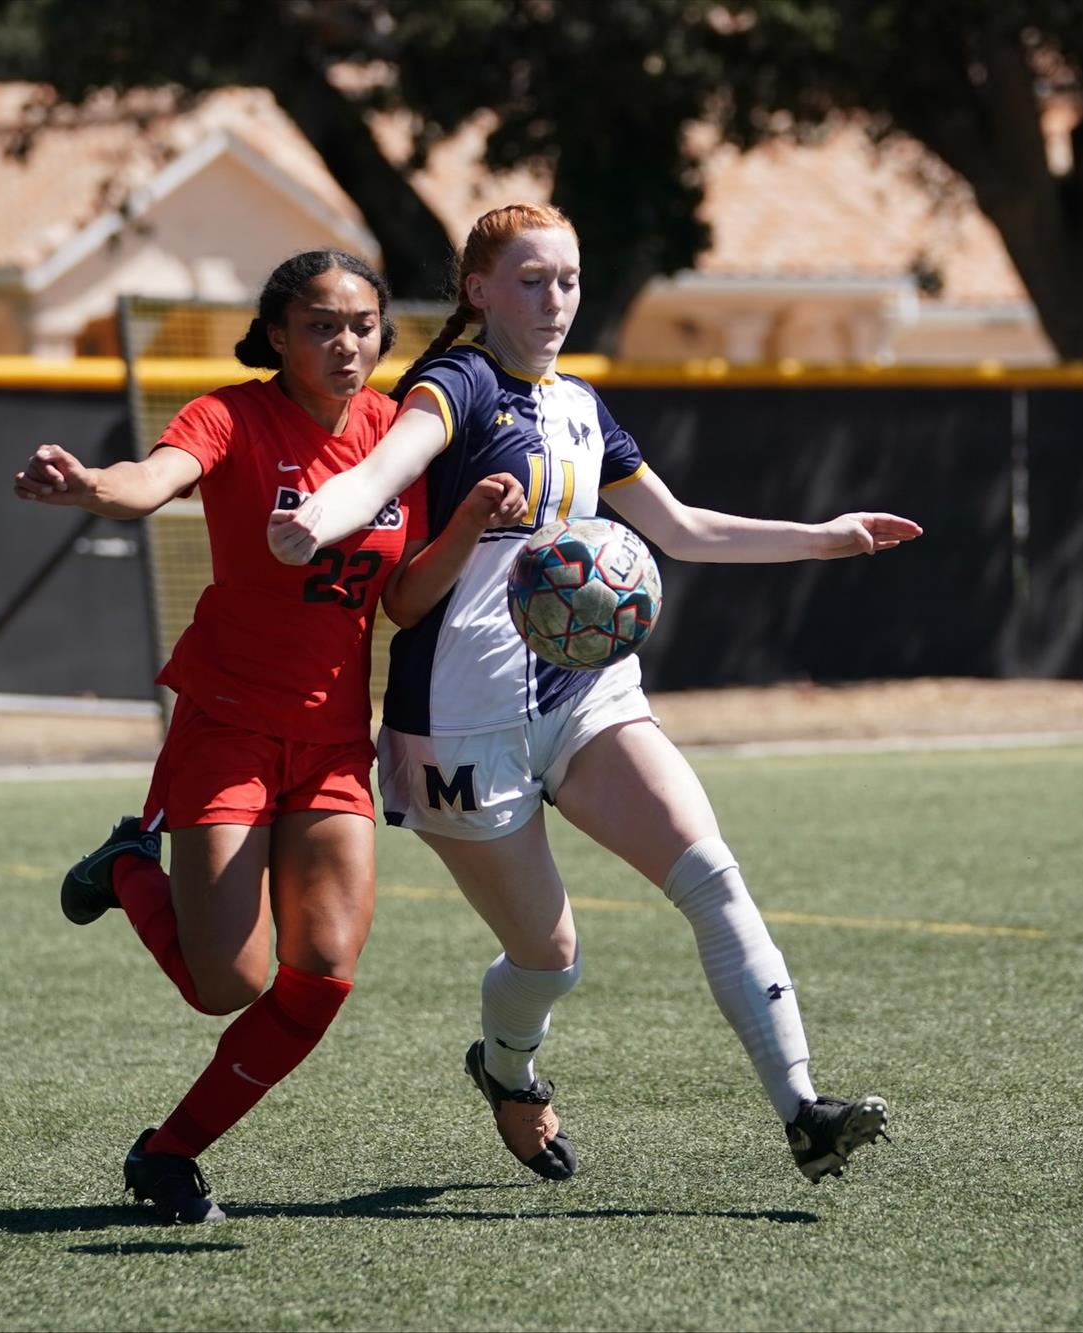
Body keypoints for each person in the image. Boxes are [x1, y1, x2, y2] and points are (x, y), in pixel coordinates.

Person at [267, 204, 923, 1186]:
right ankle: (505, 1066)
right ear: (479, 289)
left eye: (568, 279)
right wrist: (315, 518)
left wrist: (823, 535)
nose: (554, 299)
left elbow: (682, 528)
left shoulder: (581, 404)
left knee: (710, 877)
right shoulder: (455, 386)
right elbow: (381, 472)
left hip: (588, 698)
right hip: (457, 726)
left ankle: (801, 1108)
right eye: (530, 280)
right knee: (550, 959)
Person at [13, 249, 525, 1223]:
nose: (345, 344)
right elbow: (148, 478)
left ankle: (167, 1153)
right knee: (227, 984)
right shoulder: (229, 415)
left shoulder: (396, 437)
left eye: (363, 325)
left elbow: (402, 602)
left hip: (333, 739)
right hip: (227, 726)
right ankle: (130, 863)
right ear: (278, 334)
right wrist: (87, 484)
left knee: (320, 975)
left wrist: (460, 523)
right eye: (322, 325)